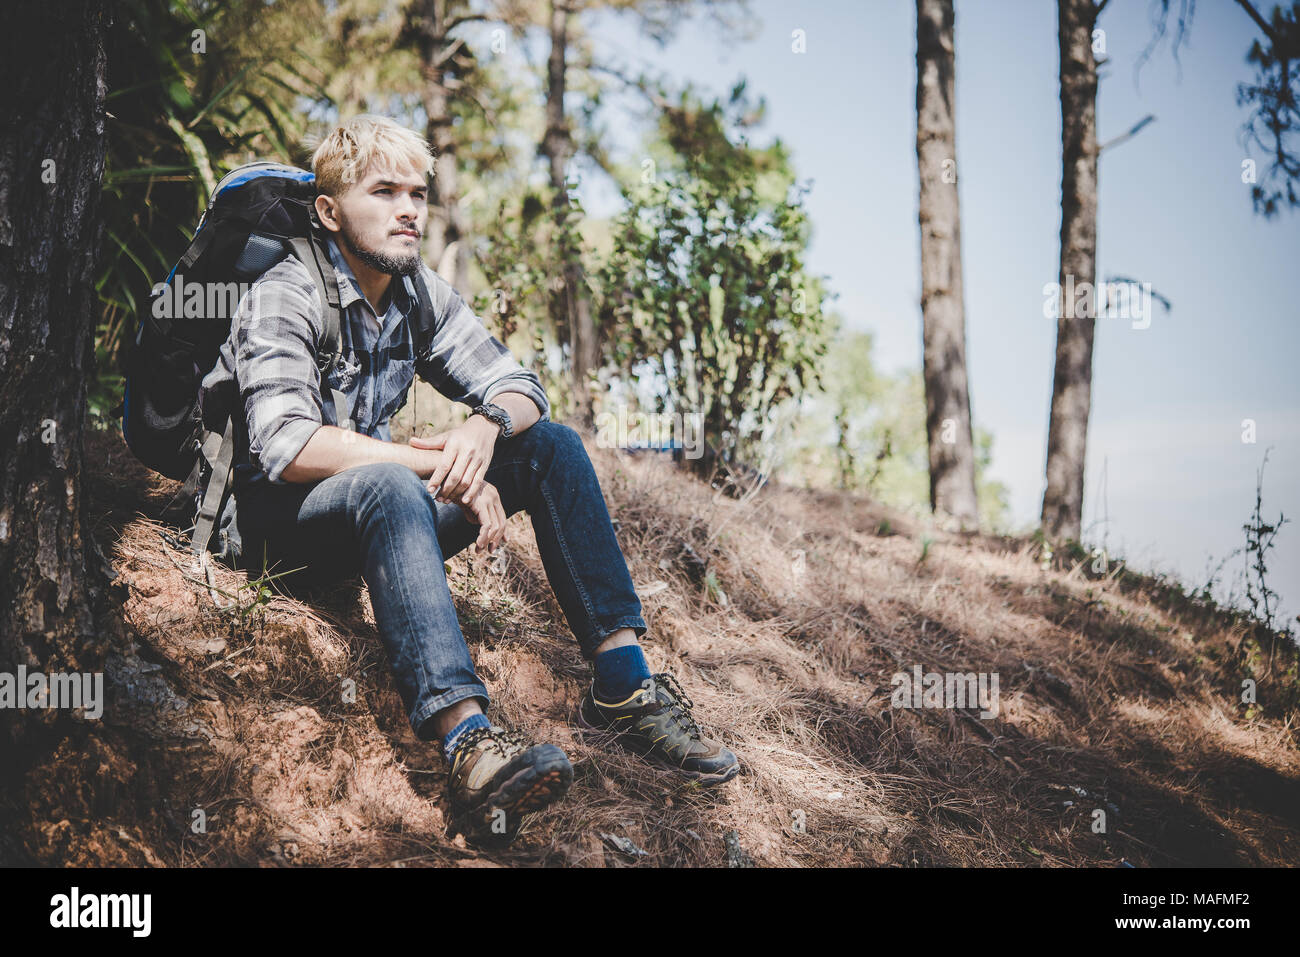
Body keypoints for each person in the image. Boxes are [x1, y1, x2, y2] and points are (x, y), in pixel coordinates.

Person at [201, 115, 739, 839]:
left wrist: (482, 431)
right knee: (391, 485)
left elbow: (521, 385)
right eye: (384, 190)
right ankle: (468, 744)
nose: (408, 210)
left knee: (547, 443)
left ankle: (624, 687)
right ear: (329, 212)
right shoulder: (286, 290)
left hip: (372, 518)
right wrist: (440, 465)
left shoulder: (414, 292)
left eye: (417, 194)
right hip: (271, 530)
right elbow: (286, 445)